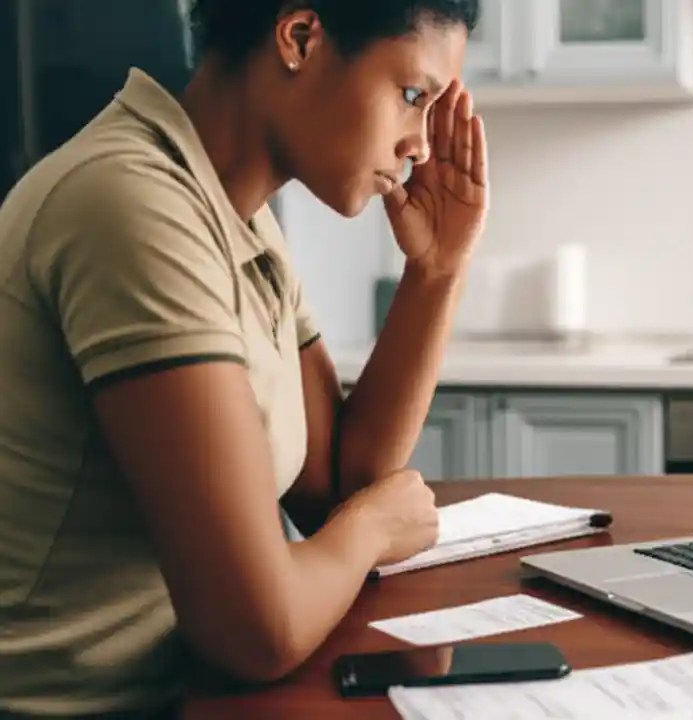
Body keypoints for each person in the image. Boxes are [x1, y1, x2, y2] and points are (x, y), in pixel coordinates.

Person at [0, 0, 484, 715]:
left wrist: (437, 272)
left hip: (181, 691)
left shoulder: (234, 214)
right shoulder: (133, 207)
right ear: (299, 38)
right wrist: (373, 529)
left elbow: (336, 488)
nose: (419, 143)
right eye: (412, 95)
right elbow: (257, 630)